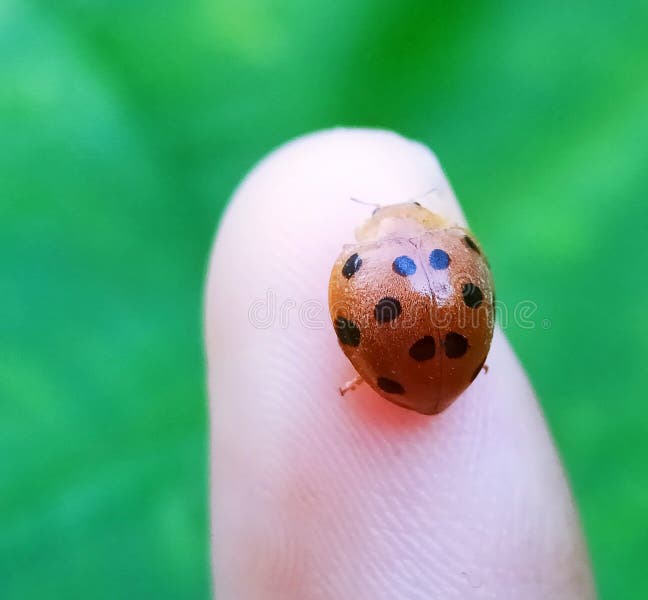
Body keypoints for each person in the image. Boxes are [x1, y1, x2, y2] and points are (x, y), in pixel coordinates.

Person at [205, 129, 595, 598]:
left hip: (416, 374)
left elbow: (351, 321)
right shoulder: (456, 245)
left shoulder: (357, 262)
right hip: (451, 370)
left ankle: (377, 379)